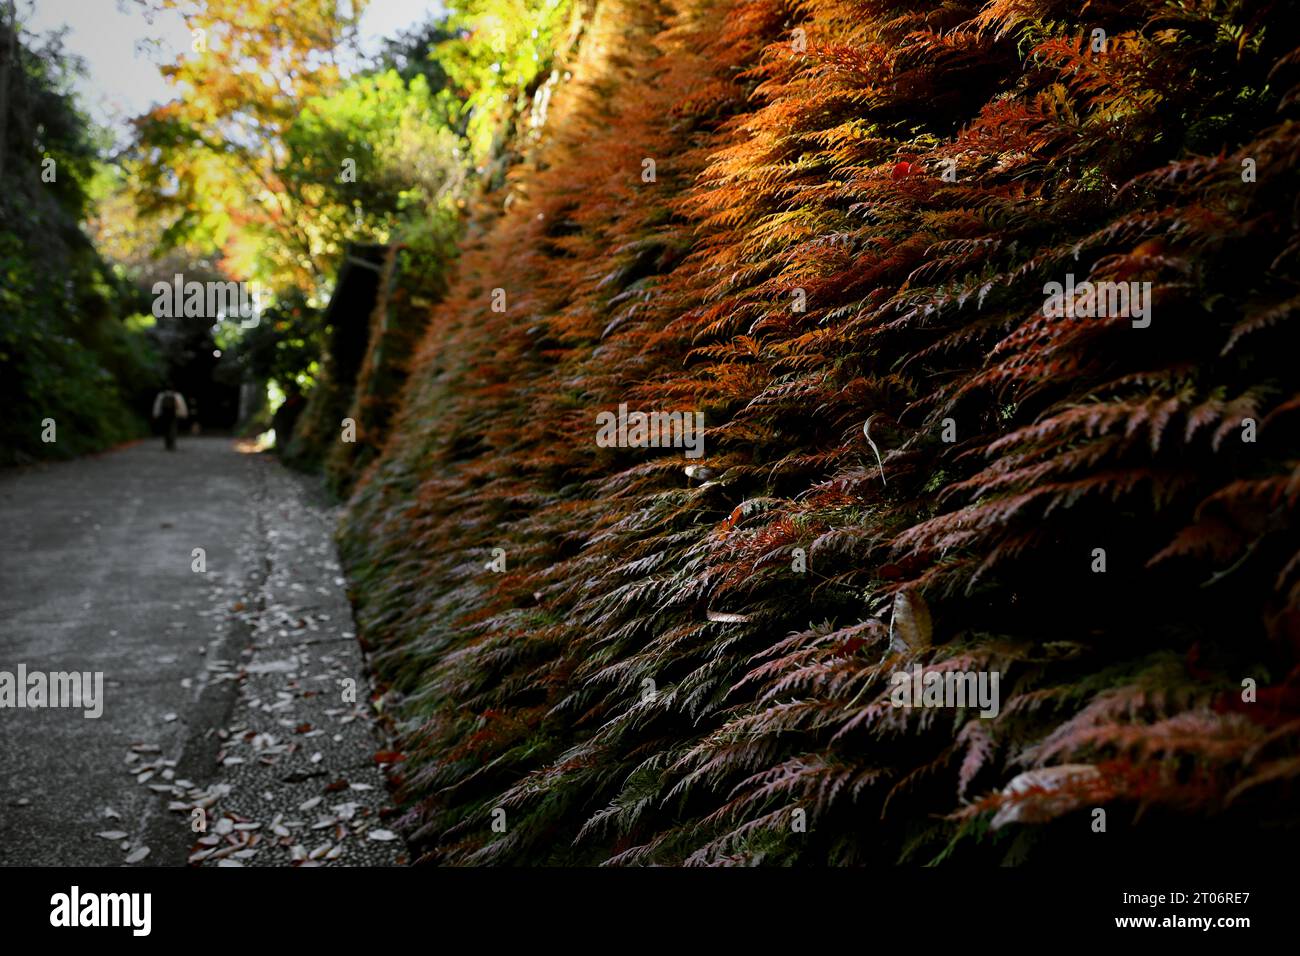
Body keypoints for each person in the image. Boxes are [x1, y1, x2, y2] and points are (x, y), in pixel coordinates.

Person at [151, 386, 189, 451]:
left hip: (164, 415)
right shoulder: (177, 395)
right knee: (173, 428)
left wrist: (156, 414)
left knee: (166, 428)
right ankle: (172, 443)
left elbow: (157, 405)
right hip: (174, 415)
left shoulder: (161, 395)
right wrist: (184, 414)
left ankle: (167, 443)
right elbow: (181, 405)